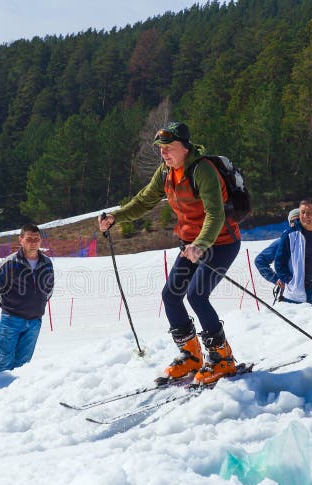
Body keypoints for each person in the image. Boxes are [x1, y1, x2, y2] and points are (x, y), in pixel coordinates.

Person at [98, 121, 241, 385]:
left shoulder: (203, 171)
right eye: (160, 148)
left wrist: (201, 244)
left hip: (220, 242)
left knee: (197, 295)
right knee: (171, 295)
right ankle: (191, 355)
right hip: (190, 245)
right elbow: (143, 200)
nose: (163, 153)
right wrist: (116, 217)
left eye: (168, 148)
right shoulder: (165, 172)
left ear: (185, 148)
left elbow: (215, 213)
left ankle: (222, 359)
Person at [0, 224, 54, 375]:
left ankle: (17, 397)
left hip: (34, 321)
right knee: (4, 362)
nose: (33, 242)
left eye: (36, 238)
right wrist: (10, 308)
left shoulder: (47, 262)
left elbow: (49, 288)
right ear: (21, 240)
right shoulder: (10, 262)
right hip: (11, 320)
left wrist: (39, 305)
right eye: (29, 238)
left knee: (23, 366)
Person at [254, 208, 299, 300]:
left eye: (298, 220)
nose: (295, 223)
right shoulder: (282, 242)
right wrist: (276, 279)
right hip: (289, 294)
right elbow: (260, 260)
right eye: (292, 221)